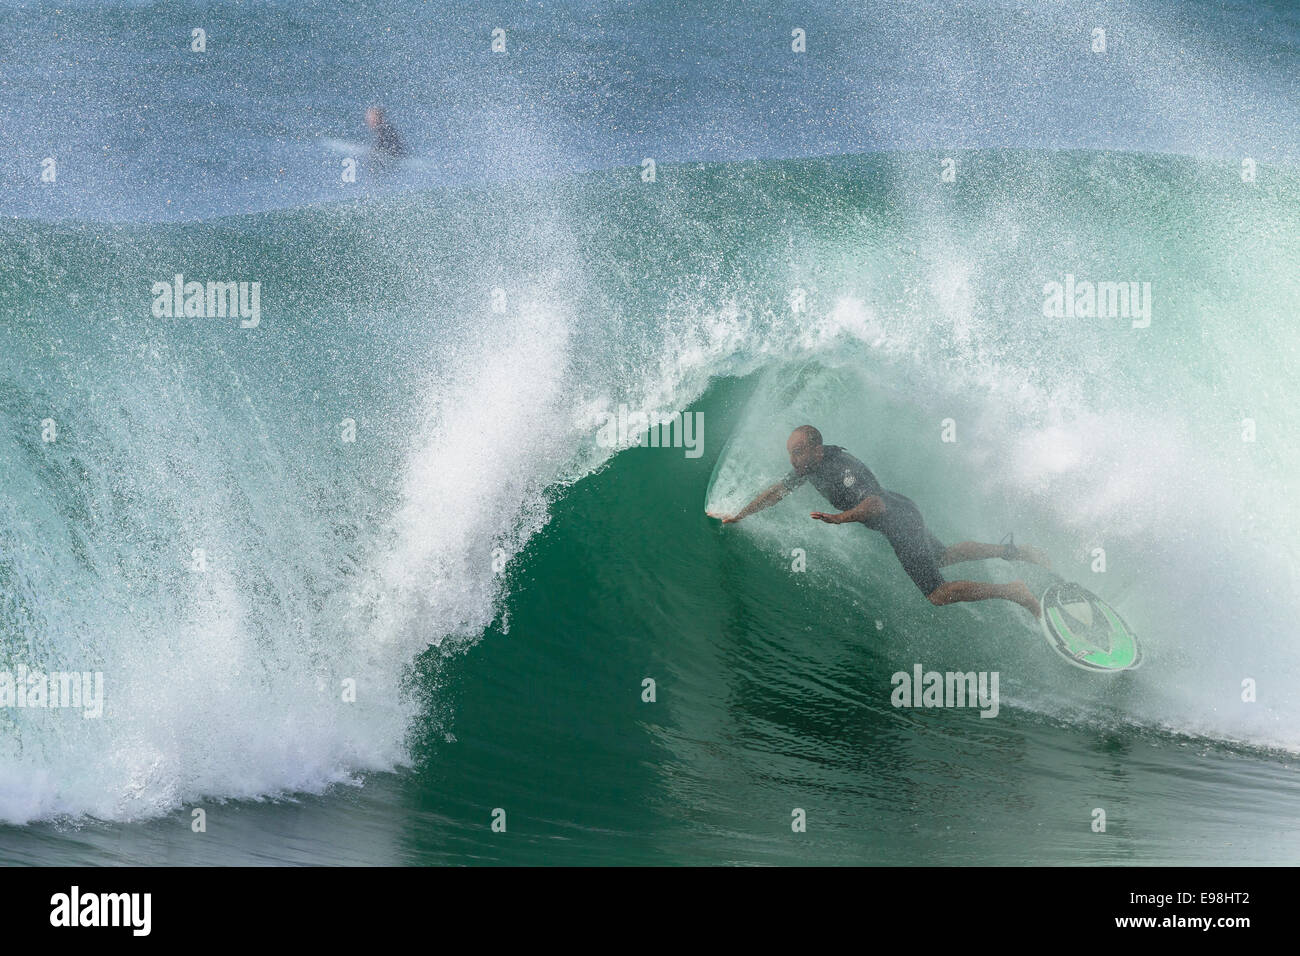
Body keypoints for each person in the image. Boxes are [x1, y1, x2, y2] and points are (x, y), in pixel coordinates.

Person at [707, 425, 1049, 618]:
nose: (792, 460)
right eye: (790, 454)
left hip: (899, 522)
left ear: (816, 449)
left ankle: (1013, 592)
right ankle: (1012, 551)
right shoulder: (811, 467)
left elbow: (875, 503)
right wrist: (740, 515)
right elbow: (777, 491)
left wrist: (842, 518)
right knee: (944, 555)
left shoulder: (841, 469)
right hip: (905, 511)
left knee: (937, 593)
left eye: (797, 452)